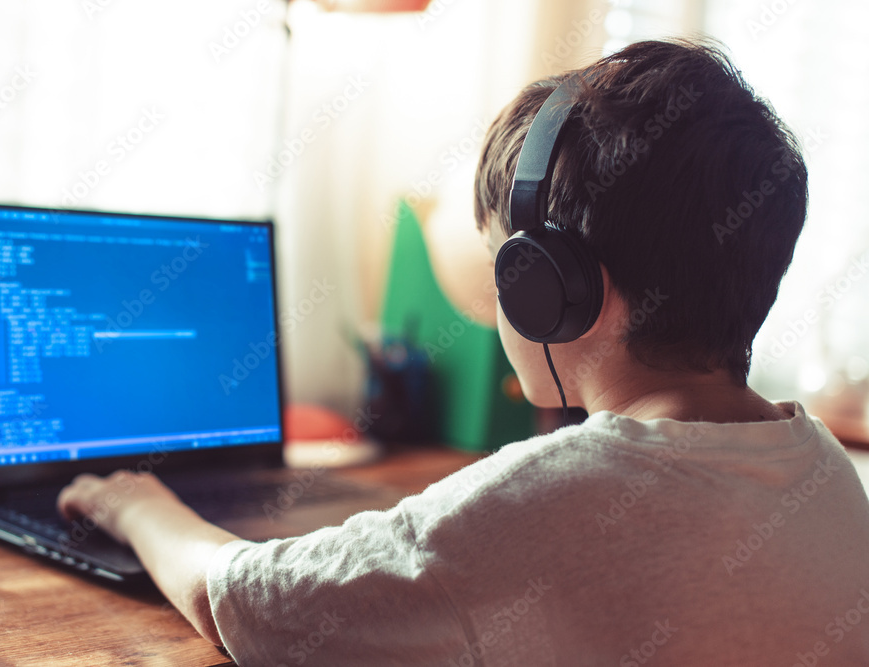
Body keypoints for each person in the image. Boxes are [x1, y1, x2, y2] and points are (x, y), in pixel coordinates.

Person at [58, 39, 869, 665]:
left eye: (502, 264)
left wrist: (132, 503)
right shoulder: (825, 471)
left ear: (550, 286)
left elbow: (236, 600)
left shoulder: (550, 498)